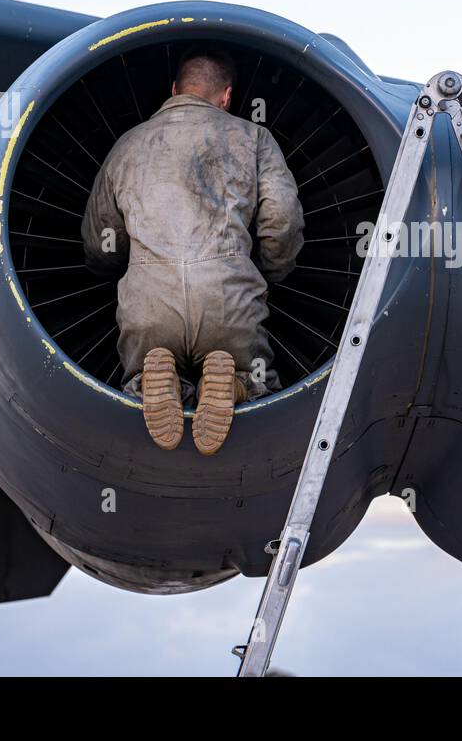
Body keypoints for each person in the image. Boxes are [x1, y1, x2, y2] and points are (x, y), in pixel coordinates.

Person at [81, 49, 304, 454]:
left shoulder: (129, 144)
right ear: (226, 97)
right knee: (259, 383)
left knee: (136, 381)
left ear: (174, 90)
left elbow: (100, 240)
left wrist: (114, 267)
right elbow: (283, 218)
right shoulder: (253, 138)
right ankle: (236, 381)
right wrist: (270, 273)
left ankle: (152, 379)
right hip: (228, 301)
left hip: (149, 306)